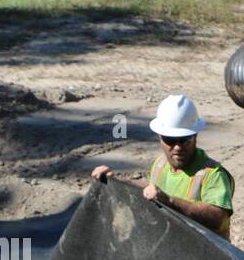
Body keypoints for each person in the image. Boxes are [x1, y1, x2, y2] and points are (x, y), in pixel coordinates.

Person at [90, 94, 234, 239]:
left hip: (206, 257)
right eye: (170, 139)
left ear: (195, 136)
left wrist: (170, 202)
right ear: (160, 137)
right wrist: (115, 180)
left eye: (184, 139)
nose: (177, 147)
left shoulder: (213, 174)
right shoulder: (160, 164)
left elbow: (218, 217)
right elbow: (151, 190)